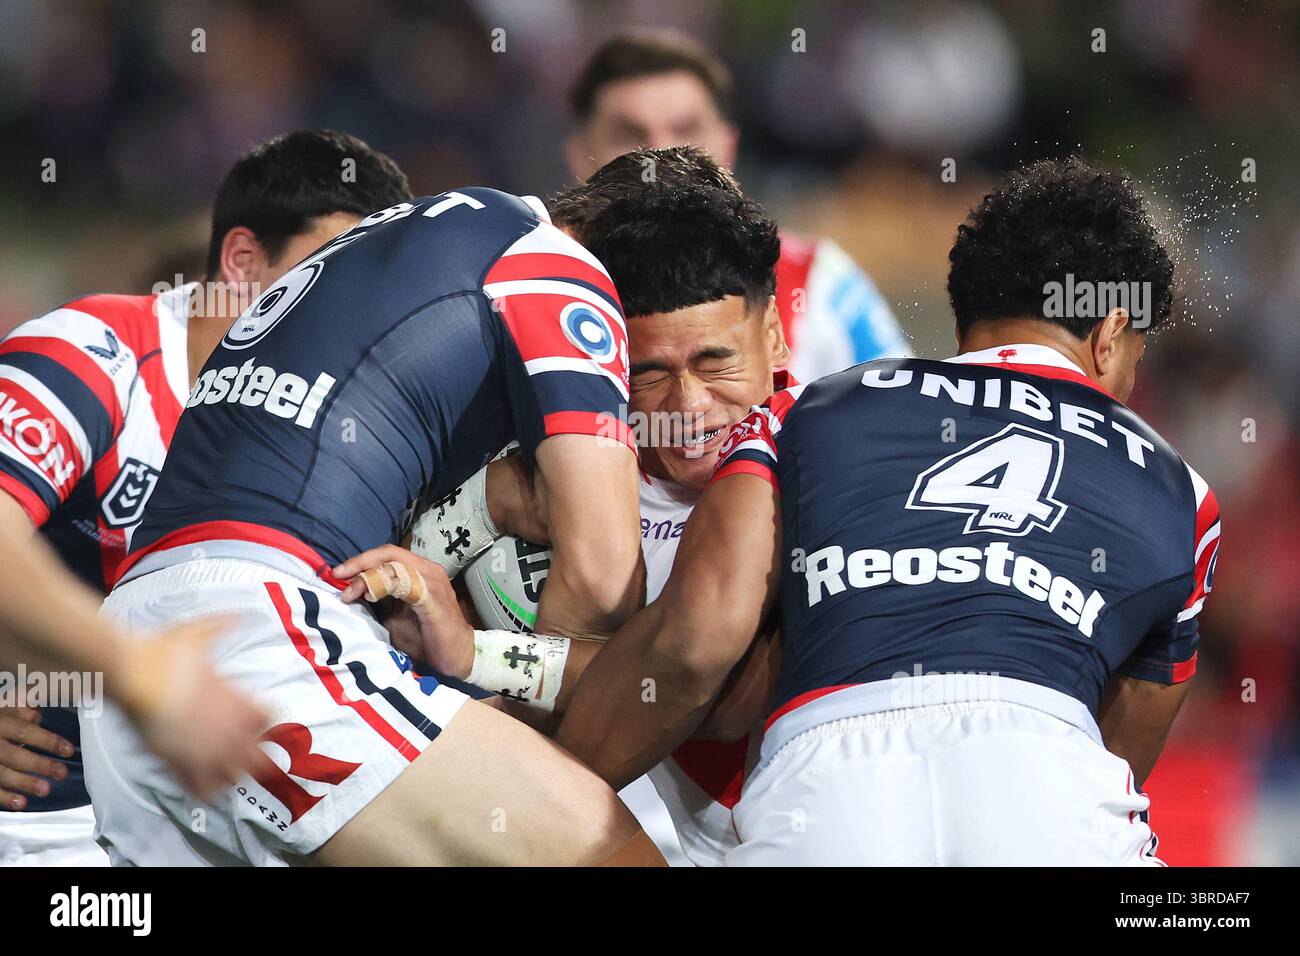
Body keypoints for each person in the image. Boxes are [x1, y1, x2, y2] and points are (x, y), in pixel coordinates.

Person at [462, 157, 1215, 865]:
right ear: (1113, 332)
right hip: (1050, 790)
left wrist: (531, 816)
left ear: (962, 325)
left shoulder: (811, 411)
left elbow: (698, 639)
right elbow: (1122, 749)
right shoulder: (1184, 494)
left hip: (825, 793)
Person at [74, 149, 770, 866]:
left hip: (141, 651)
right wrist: (540, 730)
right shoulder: (554, 266)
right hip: (272, 635)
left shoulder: (398, 236)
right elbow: (599, 574)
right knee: (608, 853)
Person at [337, 148, 786, 866]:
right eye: (649, 374)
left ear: (774, 337)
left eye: (715, 363)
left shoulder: (812, 448)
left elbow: (719, 695)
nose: (689, 408)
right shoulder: (565, 472)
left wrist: (484, 654)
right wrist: (470, 518)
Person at [0, 129, 408, 865]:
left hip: (243, 813)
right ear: (242, 263)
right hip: (54, 823)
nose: (354, 319)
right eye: (328, 278)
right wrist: (139, 678)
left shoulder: (358, 416)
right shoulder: (89, 355)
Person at [565, 30, 912, 381]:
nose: (659, 158)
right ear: (579, 156)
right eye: (630, 135)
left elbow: (904, 421)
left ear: (728, 147)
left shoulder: (819, 282)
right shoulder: (532, 285)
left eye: (685, 129)